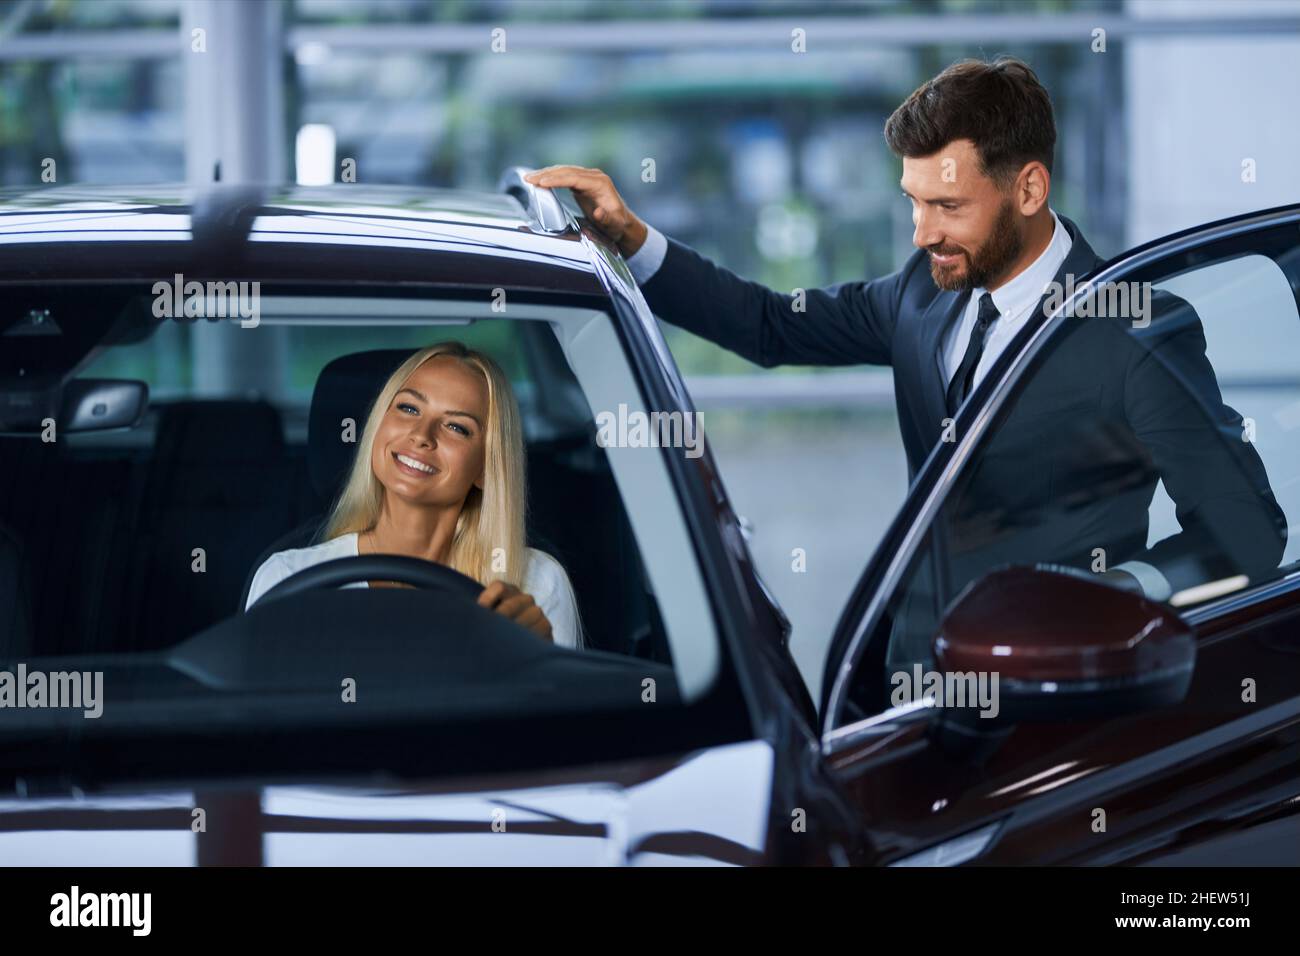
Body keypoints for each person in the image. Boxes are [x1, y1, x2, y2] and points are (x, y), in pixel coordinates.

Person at [527, 56, 1285, 618]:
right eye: (913, 202)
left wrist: (1116, 593)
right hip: (907, 666)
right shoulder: (925, 290)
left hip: (1053, 703)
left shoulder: (1135, 330)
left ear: (1028, 189)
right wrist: (632, 240)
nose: (922, 233)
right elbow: (766, 324)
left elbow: (1246, 536)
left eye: (948, 206)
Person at [245, 341, 583, 649]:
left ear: (485, 468)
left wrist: (539, 654)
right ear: (379, 424)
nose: (422, 435)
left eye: (457, 427)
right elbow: (260, 714)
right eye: (408, 409)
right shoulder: (287, 579)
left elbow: (563, 715)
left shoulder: (535, 583)